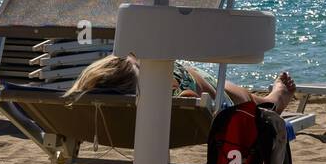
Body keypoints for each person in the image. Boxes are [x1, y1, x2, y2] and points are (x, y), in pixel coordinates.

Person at [64, 53, 297, 113]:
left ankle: (270, 100)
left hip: (201, 84)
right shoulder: (174, 99)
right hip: (221, 101)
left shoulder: (90, 102)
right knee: (252, 102)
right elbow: (191, 102)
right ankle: (274, 100)